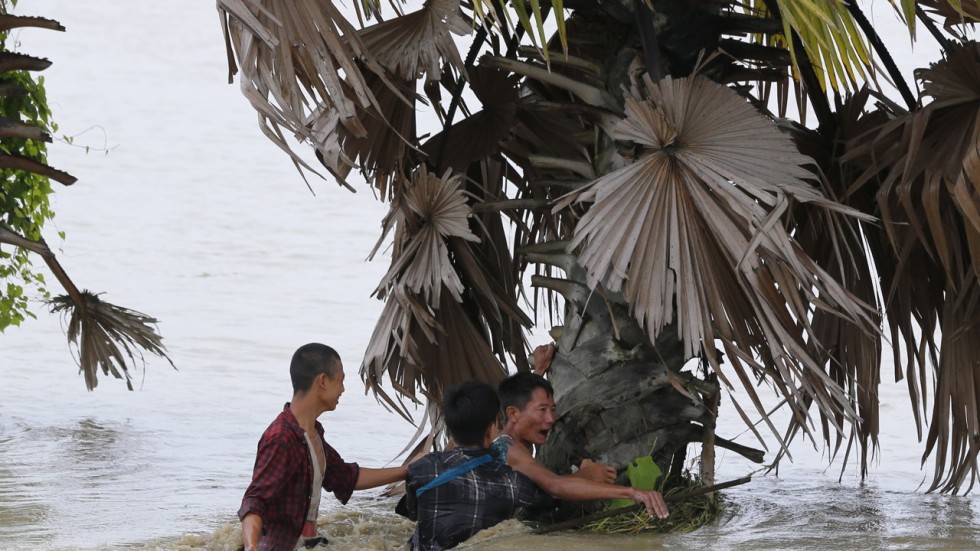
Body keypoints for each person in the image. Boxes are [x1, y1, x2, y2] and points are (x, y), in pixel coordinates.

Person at [238, 343, 409, 551]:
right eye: (341, 380)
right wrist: (251, 545)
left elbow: (345, 476)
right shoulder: (281, 438)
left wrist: (406, 471)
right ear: (323, 381)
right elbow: (255, 501)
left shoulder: (313, 434)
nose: (343, 389)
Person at [498, 344, 670, 519]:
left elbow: (522, 405)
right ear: (513, 413)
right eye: (542, 410)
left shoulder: (505, 434)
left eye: (552, 409)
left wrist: (539, 370)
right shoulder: (509, 448)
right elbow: (555, 488)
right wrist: (632, 492)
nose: (550, 419)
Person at [402, 380, 547, 551]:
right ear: (491, 429)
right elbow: (547, 504)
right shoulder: (514, 483)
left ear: (449, 429)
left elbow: (412, 513)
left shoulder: (422, 468)